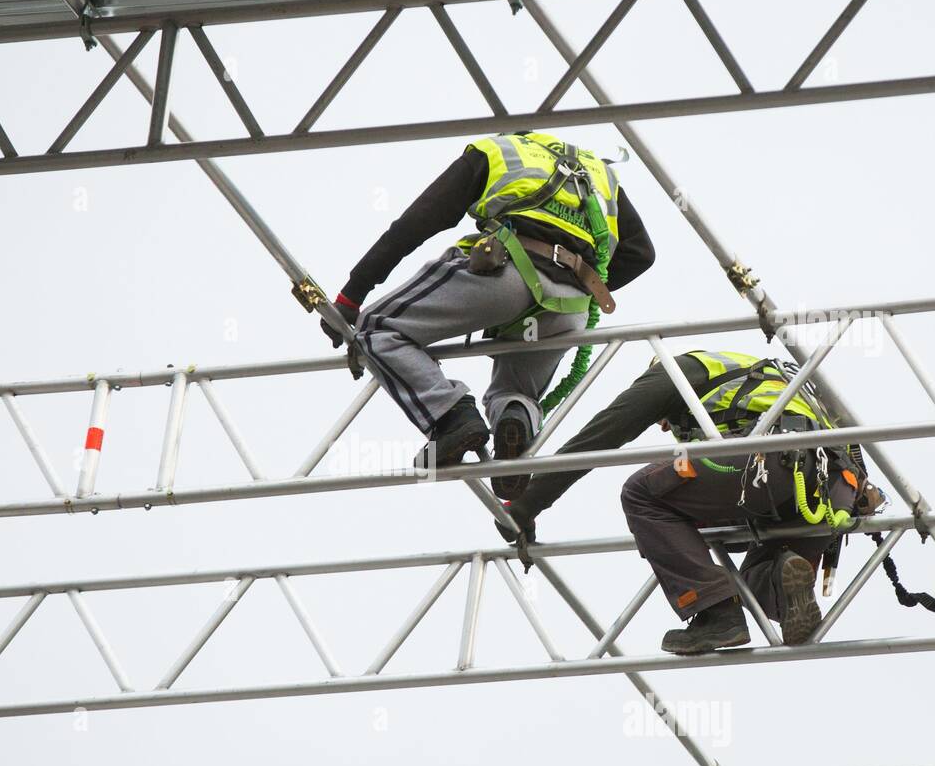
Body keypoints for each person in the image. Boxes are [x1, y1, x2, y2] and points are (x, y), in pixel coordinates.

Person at [320, 131, 655, 490]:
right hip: (568, 308)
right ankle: (516, 423)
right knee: (517, 393)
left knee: (375, 329)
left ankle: (452, 416)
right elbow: (640, 253)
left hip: (502, 277)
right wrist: (582, 287)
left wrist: (352, 295)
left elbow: (418, 222)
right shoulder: (597, 172)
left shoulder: (500, 150)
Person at [497, 351, 882, 654]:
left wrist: (529, 503)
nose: (664, 427)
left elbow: (601, 435)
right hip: (833, 490)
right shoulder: (772, 380)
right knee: (761, 583)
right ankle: (784, 574)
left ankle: (716, 611)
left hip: (770, 461)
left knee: (643, 492)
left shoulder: (679, 368)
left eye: (661, 421)